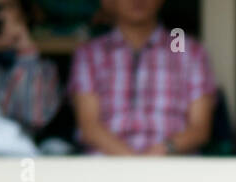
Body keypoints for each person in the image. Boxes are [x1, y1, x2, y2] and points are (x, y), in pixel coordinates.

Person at [68, 0, 216, 155]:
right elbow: (89, 127)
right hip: (104, 166)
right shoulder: (89, 54)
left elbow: (200, 128)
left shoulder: (190, 52)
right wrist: (134, 163)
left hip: (173, 165)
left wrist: (161, 152)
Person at [0, 0, 62, 155]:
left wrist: (25, 49)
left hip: (18, 158)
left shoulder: (42, 68)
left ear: (23, 15)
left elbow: (36, 118)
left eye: (7, 7)